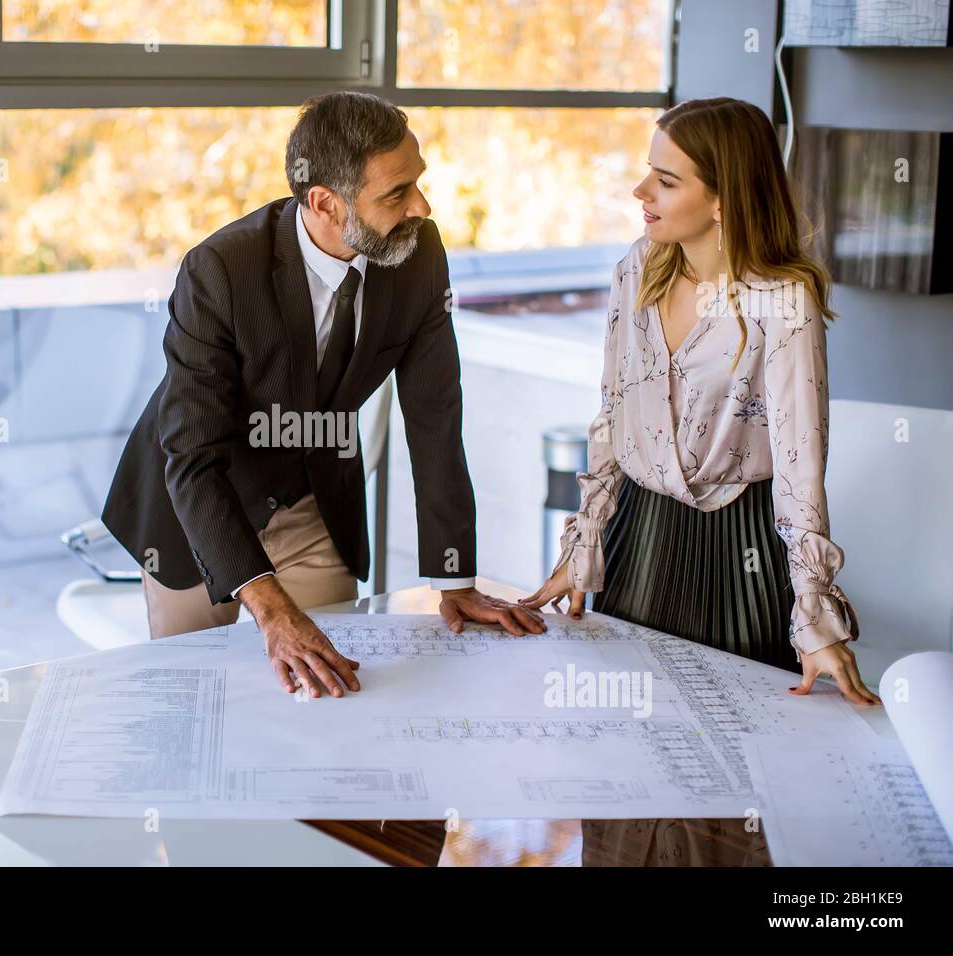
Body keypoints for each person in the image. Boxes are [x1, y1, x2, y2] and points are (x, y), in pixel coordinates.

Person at [519, 96, 880, 867]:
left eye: (664, 181)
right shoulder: (635, 270)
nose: (640, 195)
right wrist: (583, 545)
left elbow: (799, 470)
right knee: (627, 762)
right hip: (641, 540)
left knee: (723, 792)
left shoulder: (785, 304)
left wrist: (815, 620)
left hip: (738, 558)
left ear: (722, 197)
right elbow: (612, 417)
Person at [103, 91, 545, 698]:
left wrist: (454, 578)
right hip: (197, 506)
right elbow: (193, 455)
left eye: (417, 182)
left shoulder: (419, 256)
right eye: (395, 193)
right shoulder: (219, 269)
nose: (421, 205)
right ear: (324, 202)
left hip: (313, 501)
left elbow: (435, 417)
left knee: (331, 692)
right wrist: (271, 609)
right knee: (192, 697)